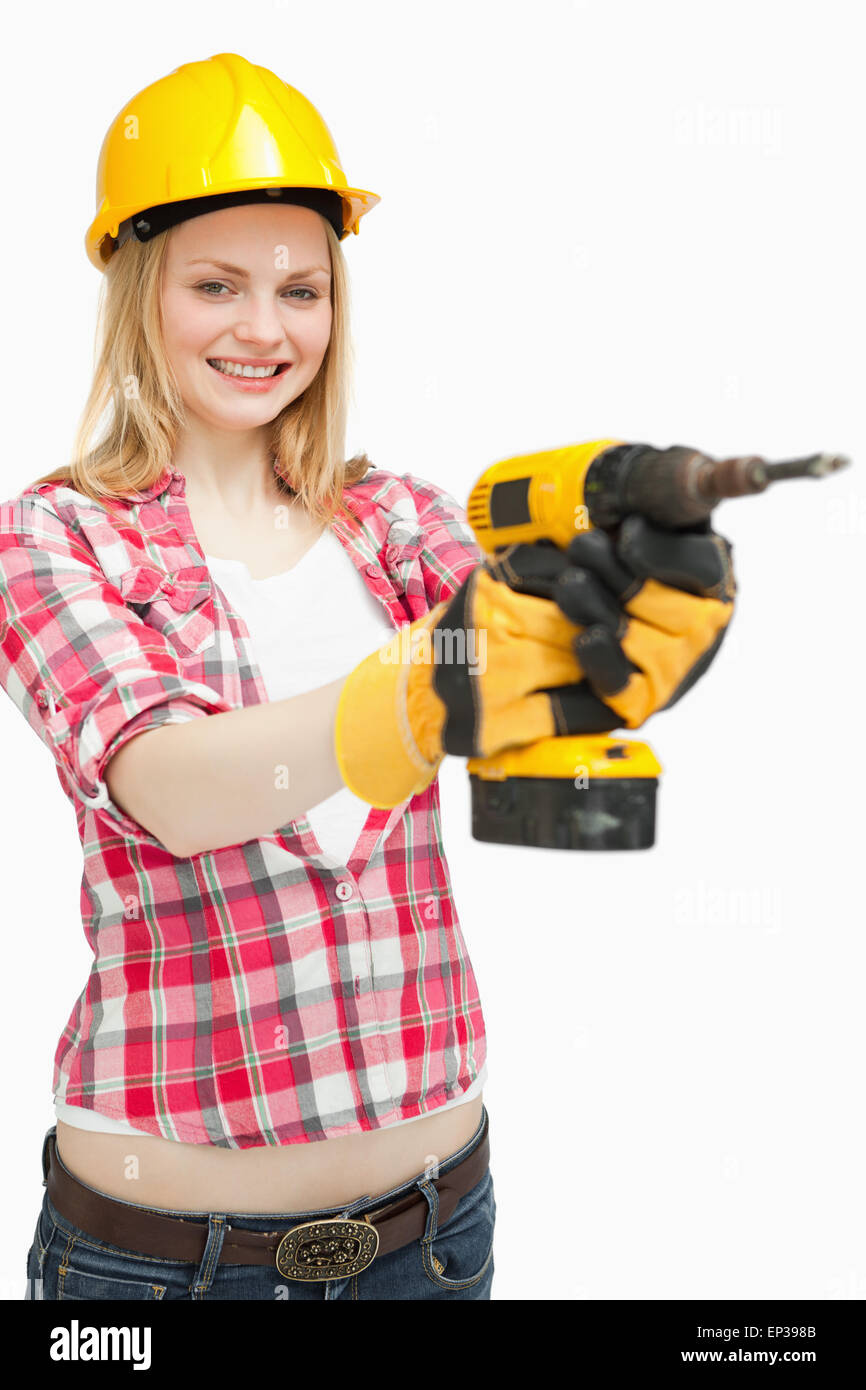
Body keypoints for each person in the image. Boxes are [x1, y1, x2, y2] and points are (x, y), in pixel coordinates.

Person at [0, 53, 736, 1301]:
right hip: (164, 1266)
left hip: (438, 1237)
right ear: (138, 292)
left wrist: (633, 618)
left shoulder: (394, 522)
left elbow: (509, 662)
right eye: (216, 285)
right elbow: (170, 785)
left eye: (301, 287)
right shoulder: (56, 538)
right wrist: (404, 700)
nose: (263, 327)